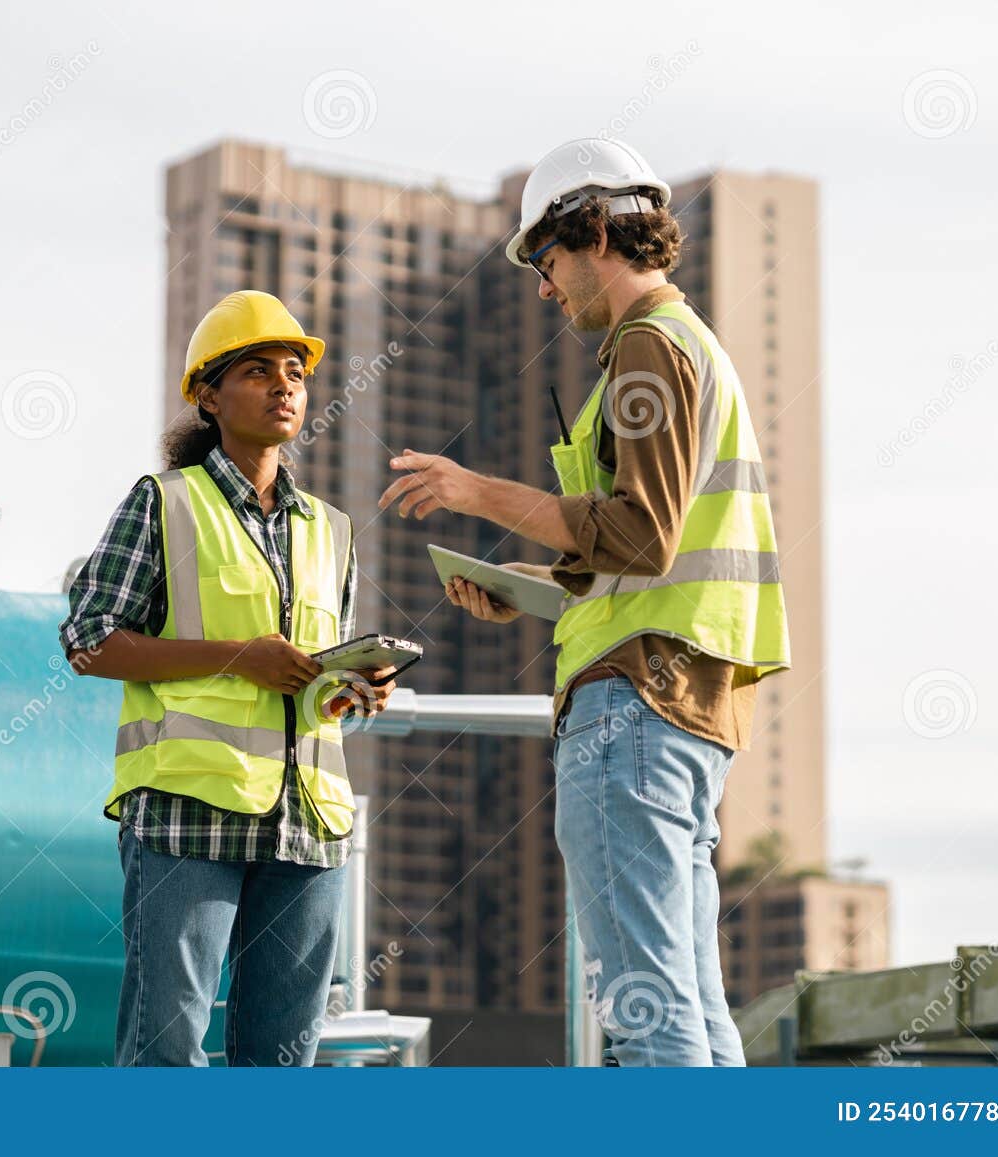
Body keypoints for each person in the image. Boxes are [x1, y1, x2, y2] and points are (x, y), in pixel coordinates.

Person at [378, 139, 789, 1066]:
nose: (543, 287)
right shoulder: (693, 347)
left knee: (646, 1012)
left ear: (596, 231)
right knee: (694, 1006)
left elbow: (644, 531)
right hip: (690, 698)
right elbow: (646, 549)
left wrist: (476, 492)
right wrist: (540, 590)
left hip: (633, 704)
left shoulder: (646, 345)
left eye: (548, 259)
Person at [62, 290, 395, 1066]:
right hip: (188, 810)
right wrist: (235, 656)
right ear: (208, 396)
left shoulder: (332, 530)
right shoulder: (163, 504)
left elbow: (312, 689)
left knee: (284, 1057)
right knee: (167, 1046)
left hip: (309, 821)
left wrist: (354, 688)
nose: (285, 385)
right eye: (257, 370)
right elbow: (87, 640)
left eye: (294, 372)